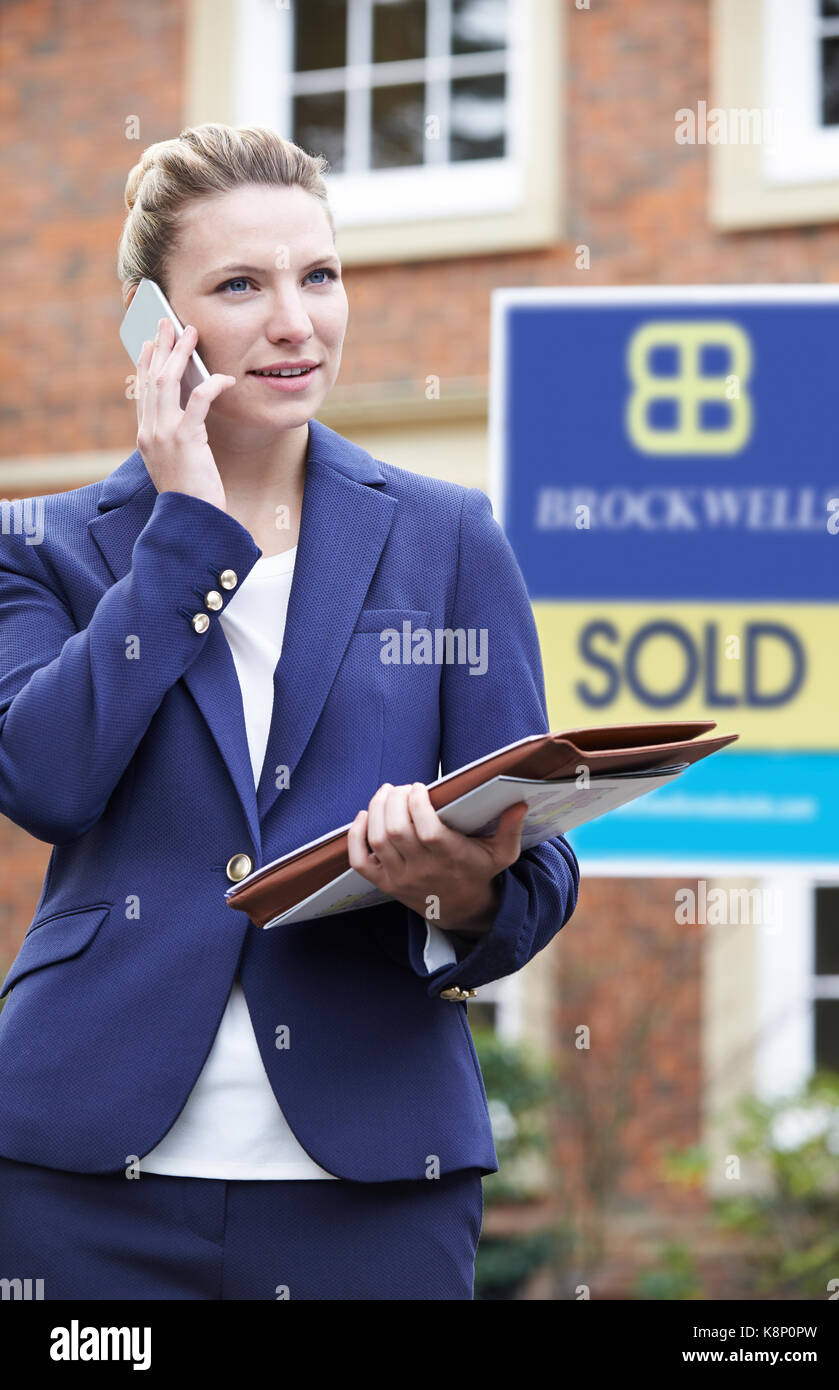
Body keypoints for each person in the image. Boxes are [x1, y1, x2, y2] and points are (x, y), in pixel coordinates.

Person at [0, 123, 580, 1300]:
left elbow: (538, 863)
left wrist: (457, 887)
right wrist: (186, 538)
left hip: (374, 1181)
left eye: (318, 275)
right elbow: (45, 780)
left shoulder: (446, 534)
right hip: (77, 1183)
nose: (295, 322)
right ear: (152, 325)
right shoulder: (43, 546)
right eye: (240, 285)